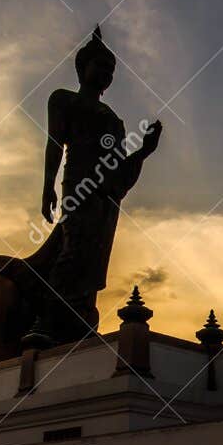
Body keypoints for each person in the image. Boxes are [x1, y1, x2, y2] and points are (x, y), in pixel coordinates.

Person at [31, 26, 163, 343]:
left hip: (107, 197)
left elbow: (118, 167)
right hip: (79, 188)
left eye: (111, 70)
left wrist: (144, 150)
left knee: (92, 261)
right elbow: (54, 143)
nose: (105, 73)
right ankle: (51, 326)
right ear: (83, 68)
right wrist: (48, 185)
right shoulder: (63, 100)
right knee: (73, 253)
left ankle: (80, 324)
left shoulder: (114, 121)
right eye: (100, 66)